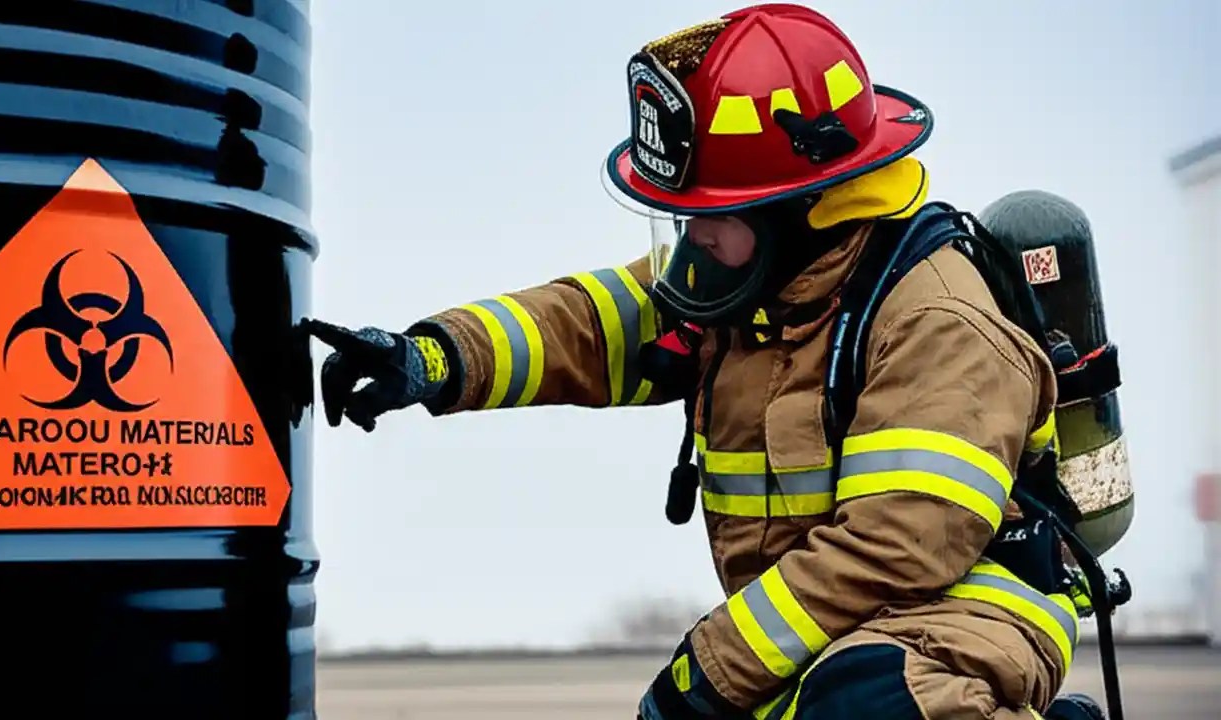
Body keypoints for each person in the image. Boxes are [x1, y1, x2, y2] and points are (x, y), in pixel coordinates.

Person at [308, 5, 1105, 718]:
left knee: (865, 706)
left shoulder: (937, 322)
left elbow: (894, 551)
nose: (691, 241)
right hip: (831, 621)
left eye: (711, 217)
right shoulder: (754, 284)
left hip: (968, 604)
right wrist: (436, 357)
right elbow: (591, 325)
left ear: (804, 207)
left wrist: (707, 673)